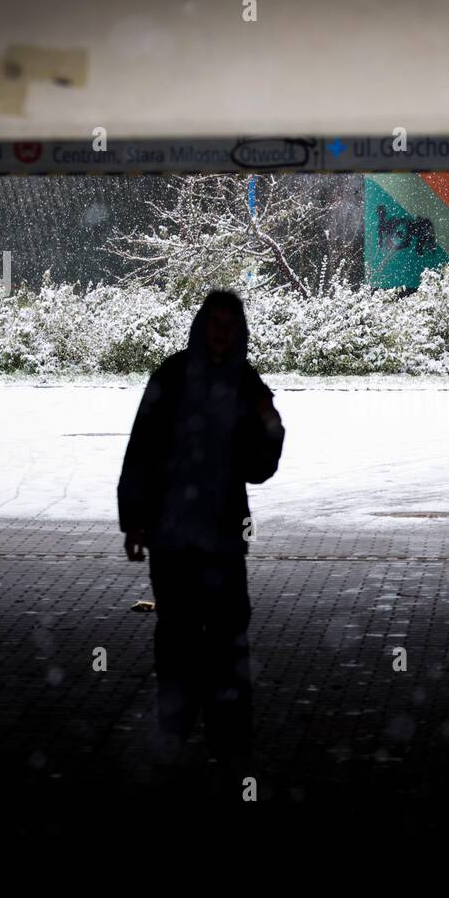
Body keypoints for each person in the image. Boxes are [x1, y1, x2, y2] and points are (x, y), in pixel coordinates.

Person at [118, 290, 284, 761]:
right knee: (178, 634)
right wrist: (135, 521)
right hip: (173, 536)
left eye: (230, 324)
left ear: (240, 331)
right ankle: (178, 723)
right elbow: (142, 451)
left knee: (228, 632)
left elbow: (258, 467)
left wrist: (270, 428)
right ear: (201, 325)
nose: (221, 332)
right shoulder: (172, 378)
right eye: (215, 322)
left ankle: (225, 732)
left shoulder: (246, 386)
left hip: (224, 535)